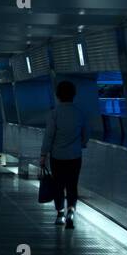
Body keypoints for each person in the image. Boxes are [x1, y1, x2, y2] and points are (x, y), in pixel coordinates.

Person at [40, 80, 89, 228]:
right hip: (75, 156)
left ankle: (60, 214)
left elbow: (49, 136)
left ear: (57, 95)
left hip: (57, 157)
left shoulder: (54, 114)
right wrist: (80, 145)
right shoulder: (80, 113)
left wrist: (43, 155)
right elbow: (86, 134)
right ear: (73, 95)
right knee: (72, 185)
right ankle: (71, 212)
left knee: (58, 185)